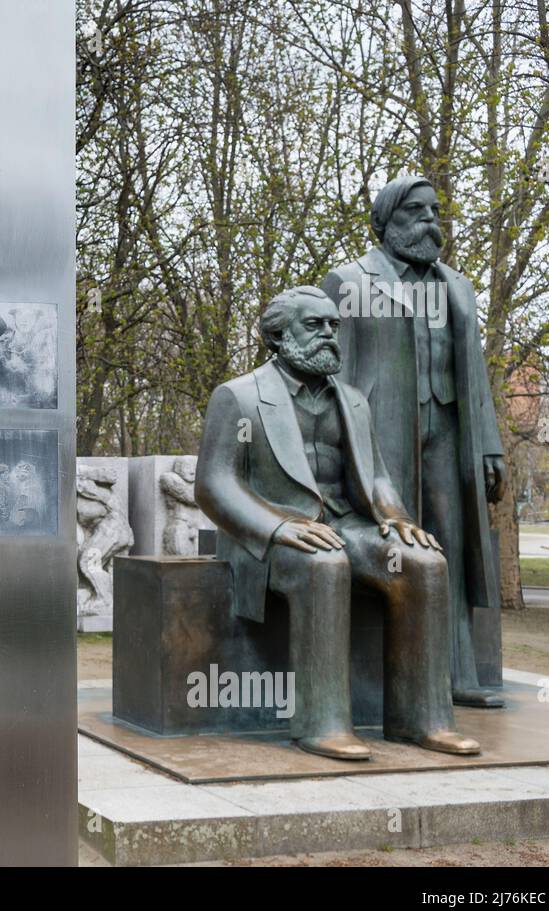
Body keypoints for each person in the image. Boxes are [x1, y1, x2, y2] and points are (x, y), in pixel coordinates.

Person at [194, 287, 480, 760]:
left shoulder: (353, 402)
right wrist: (277, 527)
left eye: (333, 325)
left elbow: (379, 478)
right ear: (279, 335)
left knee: (424, 562)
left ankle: (422, 719)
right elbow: (214, 485)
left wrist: (398, 518)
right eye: (315, 325)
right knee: (324, 563)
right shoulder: (238, 397)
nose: (329, 334)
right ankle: (322, 723)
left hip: (346, 524)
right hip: (270, 533)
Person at [321, 177, 506, 709]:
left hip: (447, 429)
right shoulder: (349, 281)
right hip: (380, 435)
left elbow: (474, 377)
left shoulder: (457, 286)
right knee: (396, 547)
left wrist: (489, 444)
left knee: (449, 541)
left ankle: (457, 674)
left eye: (435, 211)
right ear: (385, 221)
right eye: (416, 212)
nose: (430, 221)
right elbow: (329, 368)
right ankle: (393, 682)